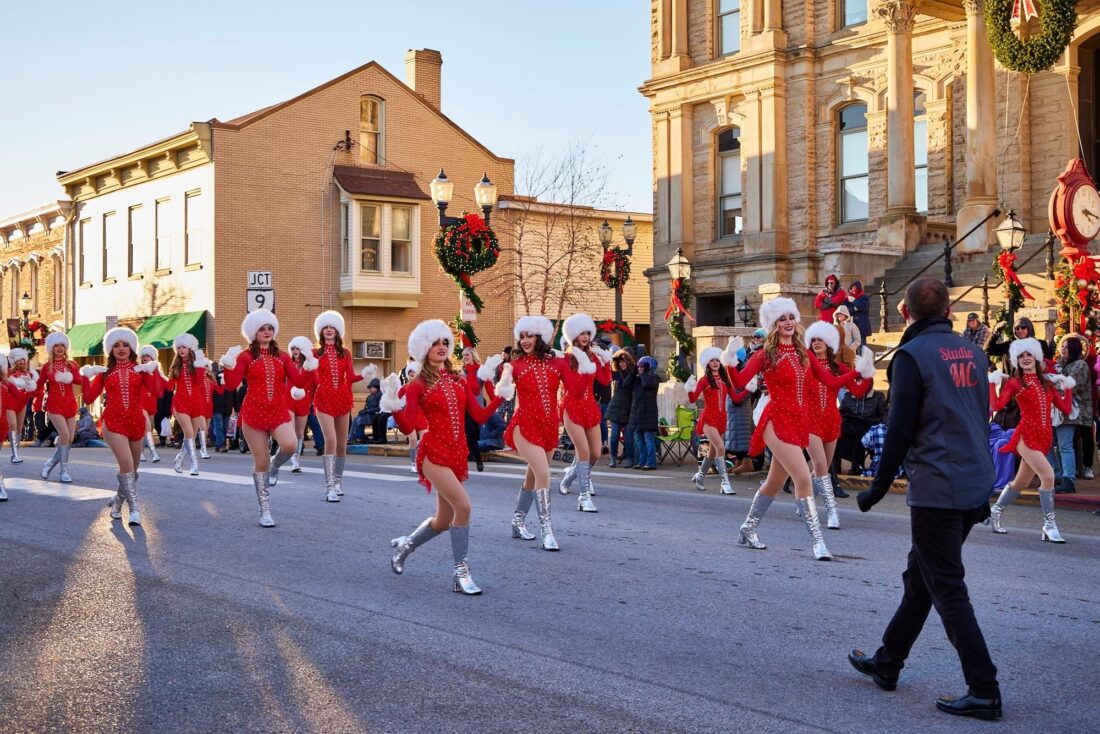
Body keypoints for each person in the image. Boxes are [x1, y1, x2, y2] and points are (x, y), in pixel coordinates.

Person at [850, 277, 1002, 722]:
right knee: (923, 577)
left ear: (905, 313)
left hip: (940, 487)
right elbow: (981, 414)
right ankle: (888, 661)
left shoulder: (911, 356)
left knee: (947, 587)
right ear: (950, 312)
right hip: (975, 481)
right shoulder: (972, 351)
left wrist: (876, 489)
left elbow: (898, 430)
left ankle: (984, 687)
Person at [724, 298, 861, 560]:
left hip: (798, 422)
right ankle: (818, 543)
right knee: (803, 477)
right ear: (774, 324)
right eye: (782, 318)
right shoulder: (766, 353)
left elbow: (830, 379)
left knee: (775, 482)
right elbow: (740, 382)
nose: (787, 322)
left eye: (791, 317)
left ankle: (748, 527)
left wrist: (858, 373)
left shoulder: (802, 352)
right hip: (775, 420)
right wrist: (730, 360)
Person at [383, 319, 505, 594]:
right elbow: (407, 426)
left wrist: (501, 395)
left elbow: (480, 415)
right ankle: (460, 574)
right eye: (434, 343)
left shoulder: (458, 381)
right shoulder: (416, 385)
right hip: (433, 453)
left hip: (456, 453)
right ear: (424, 349)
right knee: (464, 507)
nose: (440, 347)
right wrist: (392, 405)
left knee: (442, 519)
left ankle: (406, 547)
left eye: (444, 343)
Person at [492, 315, 587, 551]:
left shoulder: (559, 363)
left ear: (540, 337)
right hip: (523, 426)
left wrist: (584, 365)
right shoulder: (515, 365)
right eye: (522, 336)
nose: (524, 341)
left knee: (532, 477)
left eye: (529, 335)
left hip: (549, 427)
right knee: (544, 473)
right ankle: (547, 530)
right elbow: (498, 396)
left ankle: (517, 521)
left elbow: (575, 391)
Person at [219, 309, 316, 527]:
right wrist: (227, 365)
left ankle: (276, 466)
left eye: (269, 328)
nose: (266, 332)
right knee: (260, 461)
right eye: (262, 328)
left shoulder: (282, 356)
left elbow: (298, 382)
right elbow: (232, 384)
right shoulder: (245, 356)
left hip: (278, 410)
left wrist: (309, 367)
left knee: (290, 445)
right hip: (253, 412)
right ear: (254, 332)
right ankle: (265, 510)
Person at [987, 337, 1074, 543]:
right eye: (1021, 356)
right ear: (1017, 360)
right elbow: (997, 405)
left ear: (1036, 357)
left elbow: (1066, 409)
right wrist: (993, 383)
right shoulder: (1015, 382)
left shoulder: (1047, 383)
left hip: (1044, 437)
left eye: (1029, 355)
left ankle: (996, 511)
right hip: (1025, 436)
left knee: (1021, 482)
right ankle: (1049, 525)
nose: (1026, 358)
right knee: (1048, 476)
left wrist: (1067, 387)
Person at [79, 327, 162, 525]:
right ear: (110, 349)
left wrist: (154, 370)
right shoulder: (105, 372)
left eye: (125, 344)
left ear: (132, 347)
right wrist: (85, 376)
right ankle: (134, 509)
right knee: (125, 464)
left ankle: (117, 502)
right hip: (113, 421)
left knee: (132, 471)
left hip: (136, 422)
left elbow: (158, 392)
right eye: (116, 345)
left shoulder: (140, 370)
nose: (121, 348)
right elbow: (90, 397)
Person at [803, 322, 874, 529]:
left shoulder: (838, 367)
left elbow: (858, 391)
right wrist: (856, 371)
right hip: (810, 419)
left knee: (822, 466)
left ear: (829, 342)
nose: (817, 343)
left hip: (831, 420)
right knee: (820, 465)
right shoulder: (807, 365)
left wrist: (867, 374)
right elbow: (832, 383)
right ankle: (832, 510)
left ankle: (805, 500)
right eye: (813, 339)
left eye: (820, 339)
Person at [309, 311, 373, 502]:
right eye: (325, 327)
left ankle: (338, 481)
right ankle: (329, 487)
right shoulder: (314, 353)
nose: (329, 330)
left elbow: (351, 378)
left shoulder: (345, 353)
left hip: (343, 398)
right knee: (330, 440)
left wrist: (366, 374)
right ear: (321, 331)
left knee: (342, 444)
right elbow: (314, 380)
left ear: (338, 331)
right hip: (324, 399)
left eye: (332, 327)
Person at [555, 313, 612, 512]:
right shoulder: (567, 358)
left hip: (590, 407)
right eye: (581, 333)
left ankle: (570, 475)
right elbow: (573, 388)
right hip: (572, 406)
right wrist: (585, 367)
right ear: (573, 335)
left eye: (588, 332)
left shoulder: (593, 355)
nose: (586, 337)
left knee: (595, 453)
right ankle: (584, 496)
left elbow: (605, 381)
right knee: (584, 452)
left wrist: (606, 361)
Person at [687, 346, 750, 494]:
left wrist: (749, 389)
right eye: (712, 361)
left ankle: (700, 476)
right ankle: (725, 483)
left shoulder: (725, 379)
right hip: (708, 418)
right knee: (721, 448)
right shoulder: (704, 380)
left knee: (713, 452)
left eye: (717, 360)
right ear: (707, 363)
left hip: (722, 418)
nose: (715, 363)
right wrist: (689, 388)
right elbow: (693, 399)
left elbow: (736, 398)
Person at [34, 331, 81, 483]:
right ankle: (63, 472)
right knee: (65, 436)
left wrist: (70, 377)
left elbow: (79, 380)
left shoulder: (72, 365)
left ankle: (50, 463)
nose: (60, 348)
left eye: (62, 345)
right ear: (51, 348)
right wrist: (28, 385)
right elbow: (39, 384)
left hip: (69, 404)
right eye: (56, 345)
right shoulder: (47, 366)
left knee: (70, 438)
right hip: (54, 405)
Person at [161, 334, 206, 476]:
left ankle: (179, 459)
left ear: (190, 348)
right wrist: (157, 374)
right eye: (179, 347)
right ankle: (194, 464)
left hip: (196, 402)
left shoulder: (198, 364)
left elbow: (199, 381)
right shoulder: (176, 366)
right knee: (189, 432)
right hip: (180, 402)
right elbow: (169, 386)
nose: (181, 350)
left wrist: (199, 363)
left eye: (184, 347)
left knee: (191, 436)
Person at [1053, 333, 1090, 494]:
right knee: (1054, 445)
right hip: (1058, 409)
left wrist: (1050, 383)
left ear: (1073, 349)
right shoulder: (1060, 364)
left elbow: (1070, 385)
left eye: (1066, 347)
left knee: (1065, 445)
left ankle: (1068, 478)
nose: (1062, 349)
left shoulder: (1080, 365)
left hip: (1070, 410)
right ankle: (1058, 474)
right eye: (1061, 346)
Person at [832, 385, 886, 476]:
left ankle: (856, 467)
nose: (860, 383)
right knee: (836, 434)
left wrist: (868, 423)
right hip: (850, 425)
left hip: (868, 426)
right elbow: (842, 413)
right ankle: (836, 467)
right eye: (858, 380)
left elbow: (882, 416)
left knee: (860, 436)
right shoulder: (848, 396)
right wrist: (848, 425)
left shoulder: (878, 397)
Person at [630, 356, 664, 471]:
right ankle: (642, 461)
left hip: (648, 413)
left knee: (648, 438)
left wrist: (644, 373)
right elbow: (627, 385)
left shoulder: (654, 378)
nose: (640, 369)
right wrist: (634, 372)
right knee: (639, 440)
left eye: (642, 367)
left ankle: (651, 463)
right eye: (638, 367)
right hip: (638, 413)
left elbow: (646, 384)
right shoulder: (638, 378)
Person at [461, 347, 491, 473]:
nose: (465, 357)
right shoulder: (462, 372)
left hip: (478, 406)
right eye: (464, 355)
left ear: (473, 356)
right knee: (470, 432)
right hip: (465, 406)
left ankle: (472, 455)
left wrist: (495, 400)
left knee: (474, 434)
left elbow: (489, 387)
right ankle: (478, 461)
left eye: (467, 355)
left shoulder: (481, 370)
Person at [4, 348, 36, 463]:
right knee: (12, 425)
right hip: (10, 403)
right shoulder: (7, 372)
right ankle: (15, 454)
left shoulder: (30, 374)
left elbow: (32, 391)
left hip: (22, 403)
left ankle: (16, 452)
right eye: (18, 360)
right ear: (13, 361)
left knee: (19, 428)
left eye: (23, 359)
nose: (21, 362)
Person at [606, 349, 636, 468]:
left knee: (628, 436)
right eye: (620, 362)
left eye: (623, 362)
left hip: (628, 408)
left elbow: (627, 383)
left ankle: (629, 458)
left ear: (628, 362)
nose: (621, 364)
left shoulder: (633, 374)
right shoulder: (617, 374)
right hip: (616, 408)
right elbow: (608, 372)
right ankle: (613, 457)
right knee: (614, 436)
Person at [847, 281, 872, 346]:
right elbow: (846, 310)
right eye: (852, 288)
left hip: (862, 325)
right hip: (852, 325)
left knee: (862, 346)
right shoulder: (848, 299)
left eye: (855, 288)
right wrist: (855, 308)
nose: (853, 290)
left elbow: (864, 307)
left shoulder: (864, 297)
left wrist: (854, 301)